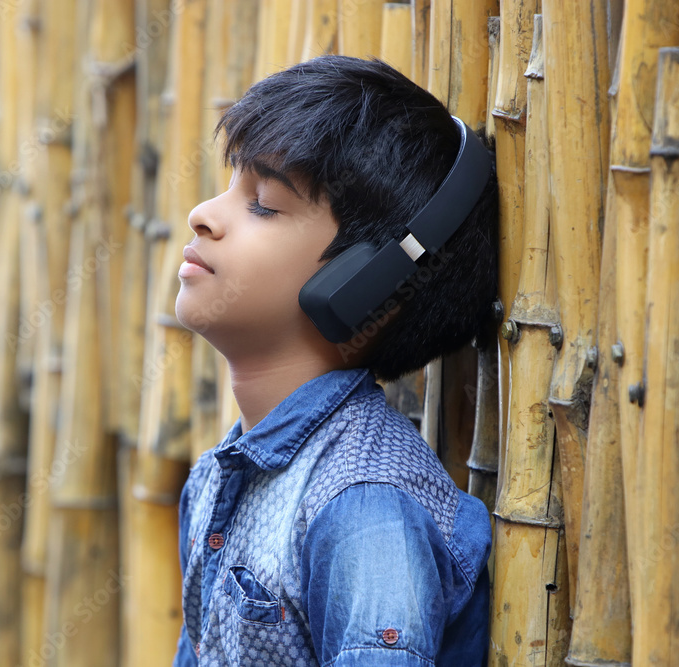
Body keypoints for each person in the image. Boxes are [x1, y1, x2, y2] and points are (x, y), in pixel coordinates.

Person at [172, 54, 498, 667]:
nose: (204, 215)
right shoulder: (218, 475)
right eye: (229, 185)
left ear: (367, 280)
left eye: (263, 203)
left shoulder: (364, 508)